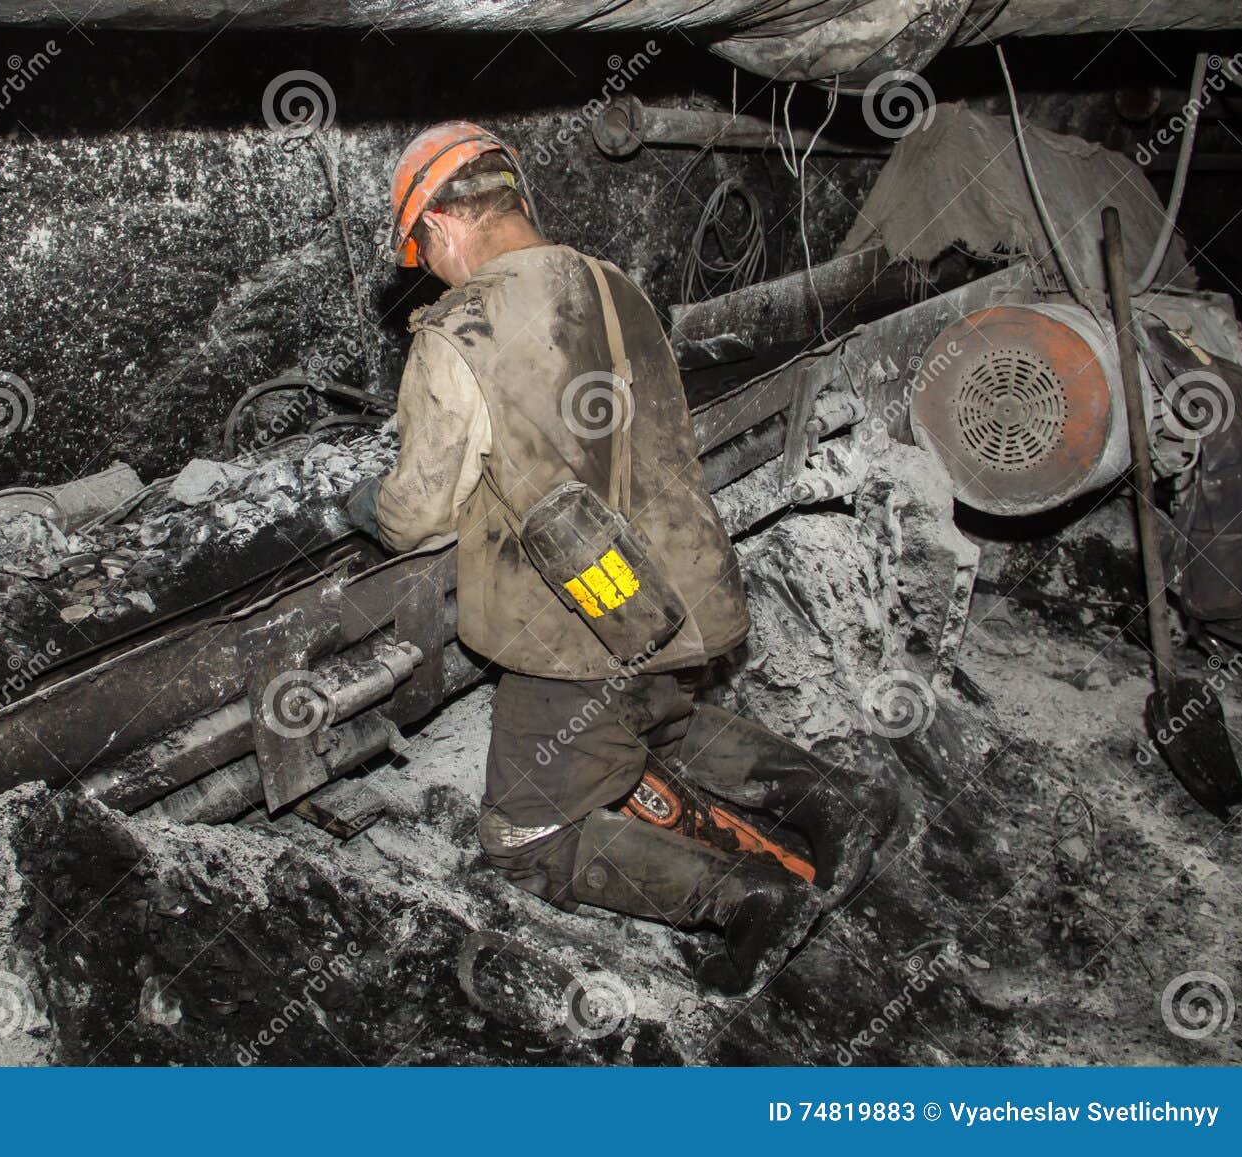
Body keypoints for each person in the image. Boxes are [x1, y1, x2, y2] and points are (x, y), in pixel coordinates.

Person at [346, 121, 894, 995]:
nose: (427, 269)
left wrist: (366, 503)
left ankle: (750, 897)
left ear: (440, 227)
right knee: (658, 718)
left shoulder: (456, 333)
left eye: (420, 250)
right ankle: (836, 794)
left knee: (523, 838)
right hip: (691, 594)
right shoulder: (616, 286)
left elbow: (420, 513)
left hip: (586, 631)